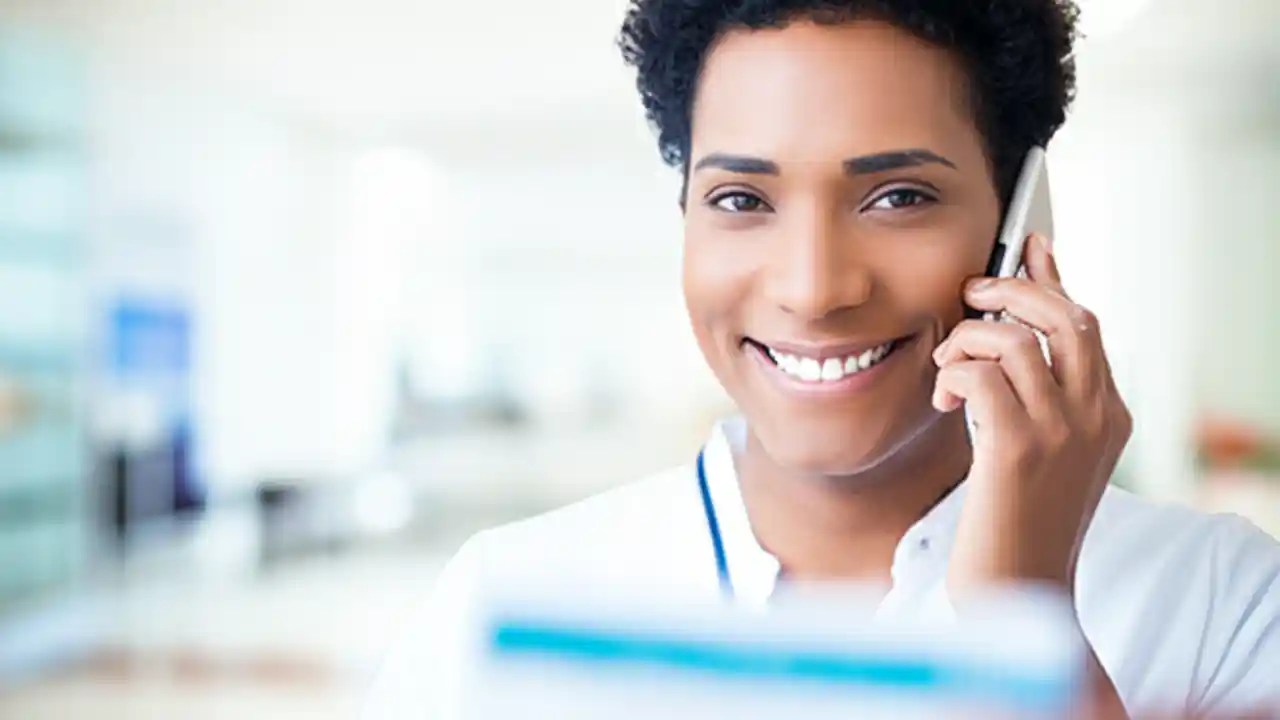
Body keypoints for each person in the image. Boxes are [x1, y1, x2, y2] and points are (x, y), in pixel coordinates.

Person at [364, 1, 1280, 717]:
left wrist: (1024, 619)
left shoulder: (1221, 601)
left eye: (897, 196)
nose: (812, 288)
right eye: (740, 199)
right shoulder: (504, 601)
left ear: (1018, 225)